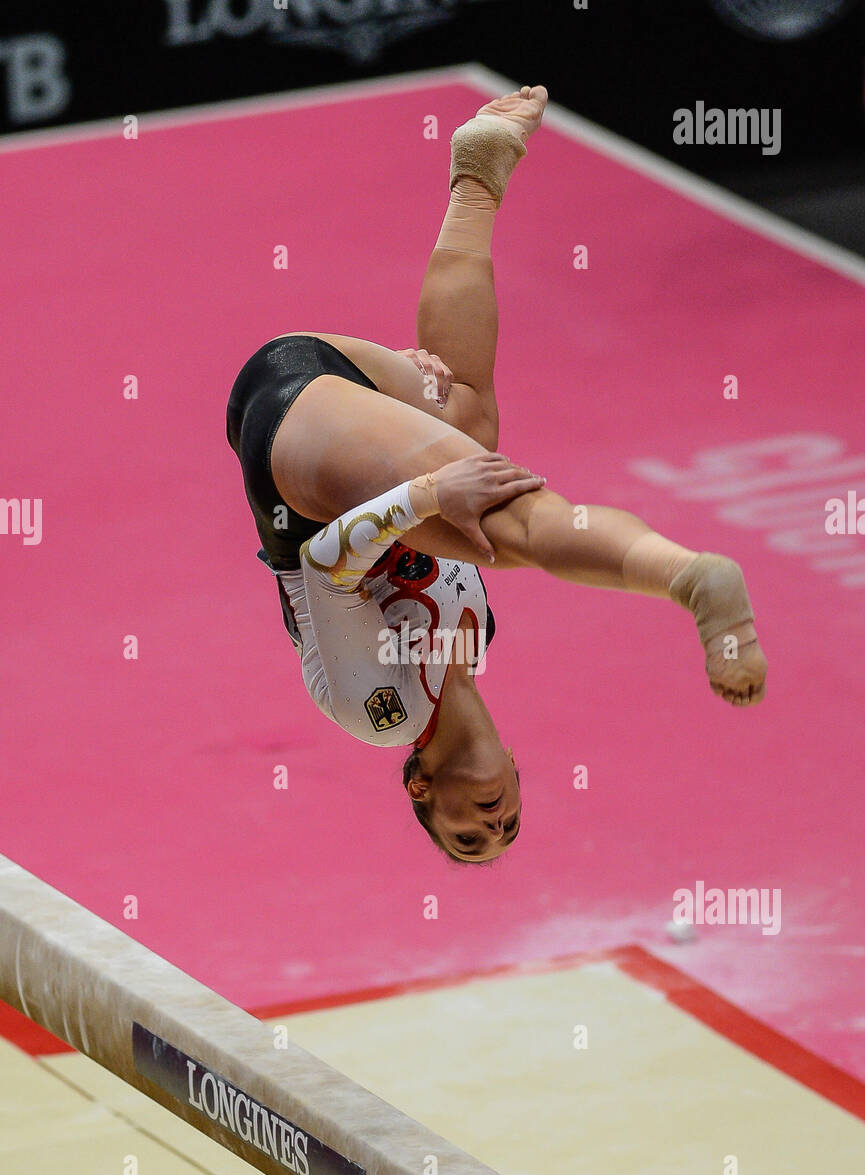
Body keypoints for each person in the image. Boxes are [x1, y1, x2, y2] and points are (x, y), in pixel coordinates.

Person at [227, 85, 767, 863]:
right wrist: (419, 445)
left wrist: (426, 491)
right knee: (472, 422)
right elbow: (437, 475)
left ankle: (692, 579)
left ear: (422, 788)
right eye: (506, 828)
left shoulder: (383, 716)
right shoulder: (476, 636)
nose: (495, 821)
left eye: (467, 833)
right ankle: (476, 171)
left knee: (503, 529)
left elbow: (323, 563)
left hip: (288, 448)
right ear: (517, 773)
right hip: (340, 402)